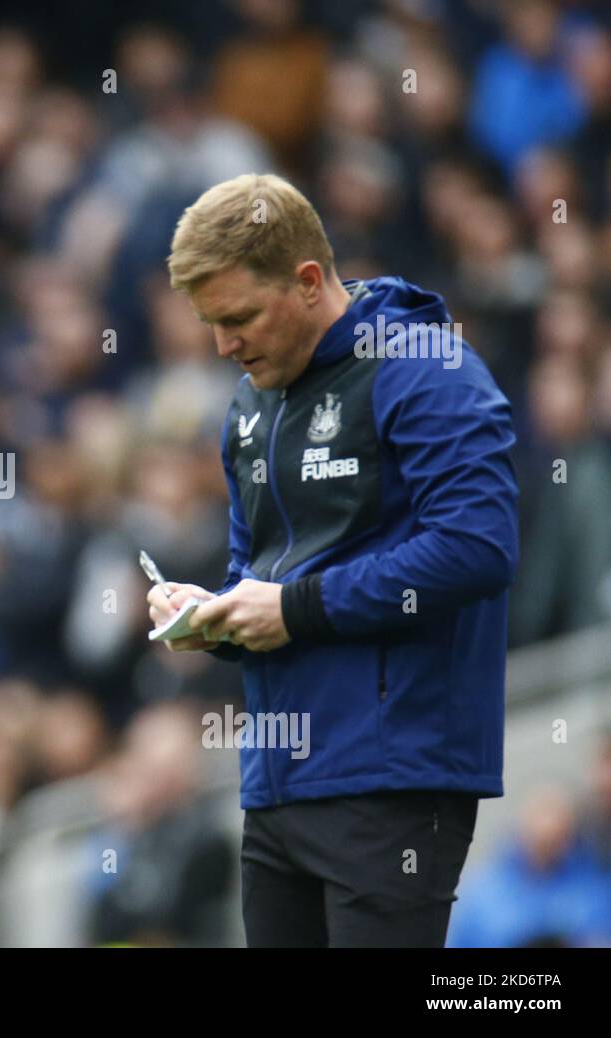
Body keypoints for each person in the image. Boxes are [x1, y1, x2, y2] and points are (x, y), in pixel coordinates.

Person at [147, 172, 519, 948]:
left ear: (309, 281)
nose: (224, 346)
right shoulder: (252, 404)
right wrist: (209, 617)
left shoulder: (426, 366)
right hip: (277, 783)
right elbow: (260, 579)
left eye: (240, 317)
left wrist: (293, 608)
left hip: (395, 778)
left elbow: (478, 547)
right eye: (211, 325)